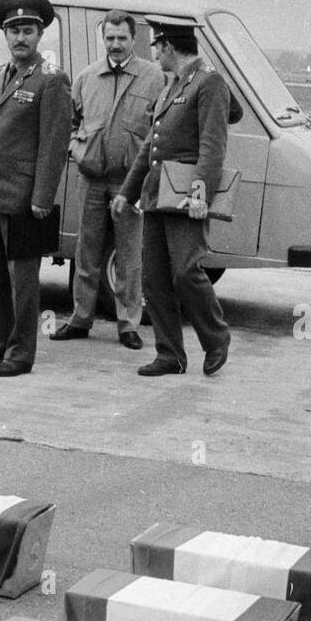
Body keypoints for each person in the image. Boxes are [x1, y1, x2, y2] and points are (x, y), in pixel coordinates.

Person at [0, 0, 72, 377]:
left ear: (40, 35)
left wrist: (42, 197)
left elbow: (54, 146)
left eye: (27, 30)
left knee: (22, 280)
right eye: (13, 31)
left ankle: (21, 353)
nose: (20, 38)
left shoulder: (51, 81)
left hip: (24, 198)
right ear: (5, 36)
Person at [112, 19, 232, 377]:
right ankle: (170, 355)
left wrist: (200, 195)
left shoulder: (208, 83)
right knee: (155, 279)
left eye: (157, 48)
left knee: (184, 272)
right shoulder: (172, 86)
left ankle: (216, 338)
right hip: (156, 195)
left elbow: (212, 147)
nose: (156, 56)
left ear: (168, 47)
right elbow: (150, 146)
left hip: (184, 197)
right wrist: (127, 193)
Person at [52, 10, 164, 351]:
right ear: (103, 40)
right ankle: (80, 318)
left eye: (122, 38)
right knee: (85, 253)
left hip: (129, 184)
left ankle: (128, 324)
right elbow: (70, 122)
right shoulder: (87, 77)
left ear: (134, 40)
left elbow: (161, 129)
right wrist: (76, 148)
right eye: (110, 38)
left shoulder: (154, 78)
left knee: (130, 256)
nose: (115, 45)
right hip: (91, 180)